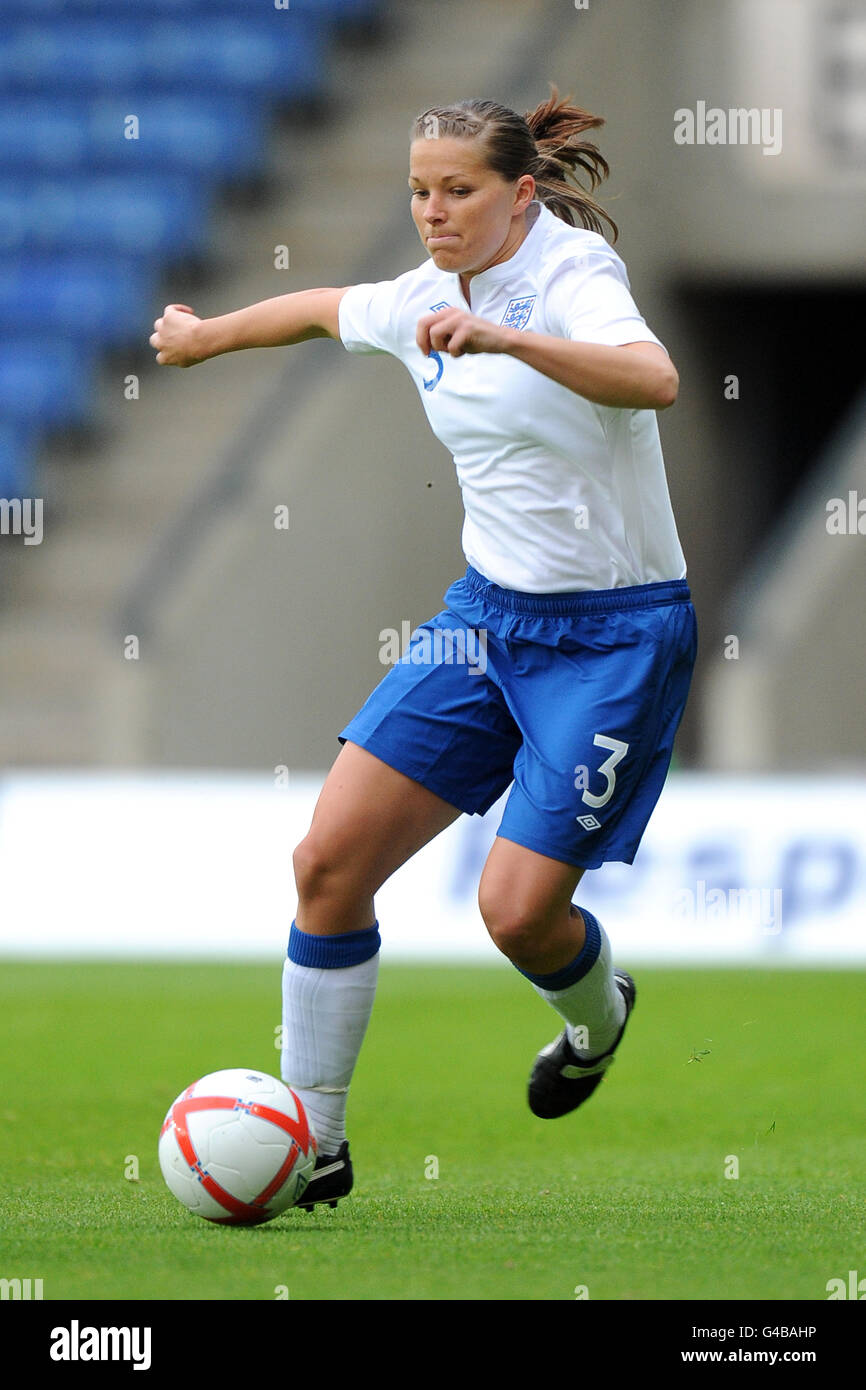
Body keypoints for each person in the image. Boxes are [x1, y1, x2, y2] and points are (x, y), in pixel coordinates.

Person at [150, 88, 697, 1212]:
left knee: (516, 914)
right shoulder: (417, 296)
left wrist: (507, 336)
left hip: (613, 634)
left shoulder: (572, 280)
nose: (432, 213)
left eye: (457, 191)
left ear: (520, 194)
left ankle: (596, 1021)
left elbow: (655, 381)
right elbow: (319, 308)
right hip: (484, 621)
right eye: (417, 191)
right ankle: (319, 1140)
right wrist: (206, 337)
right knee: (328, 864)